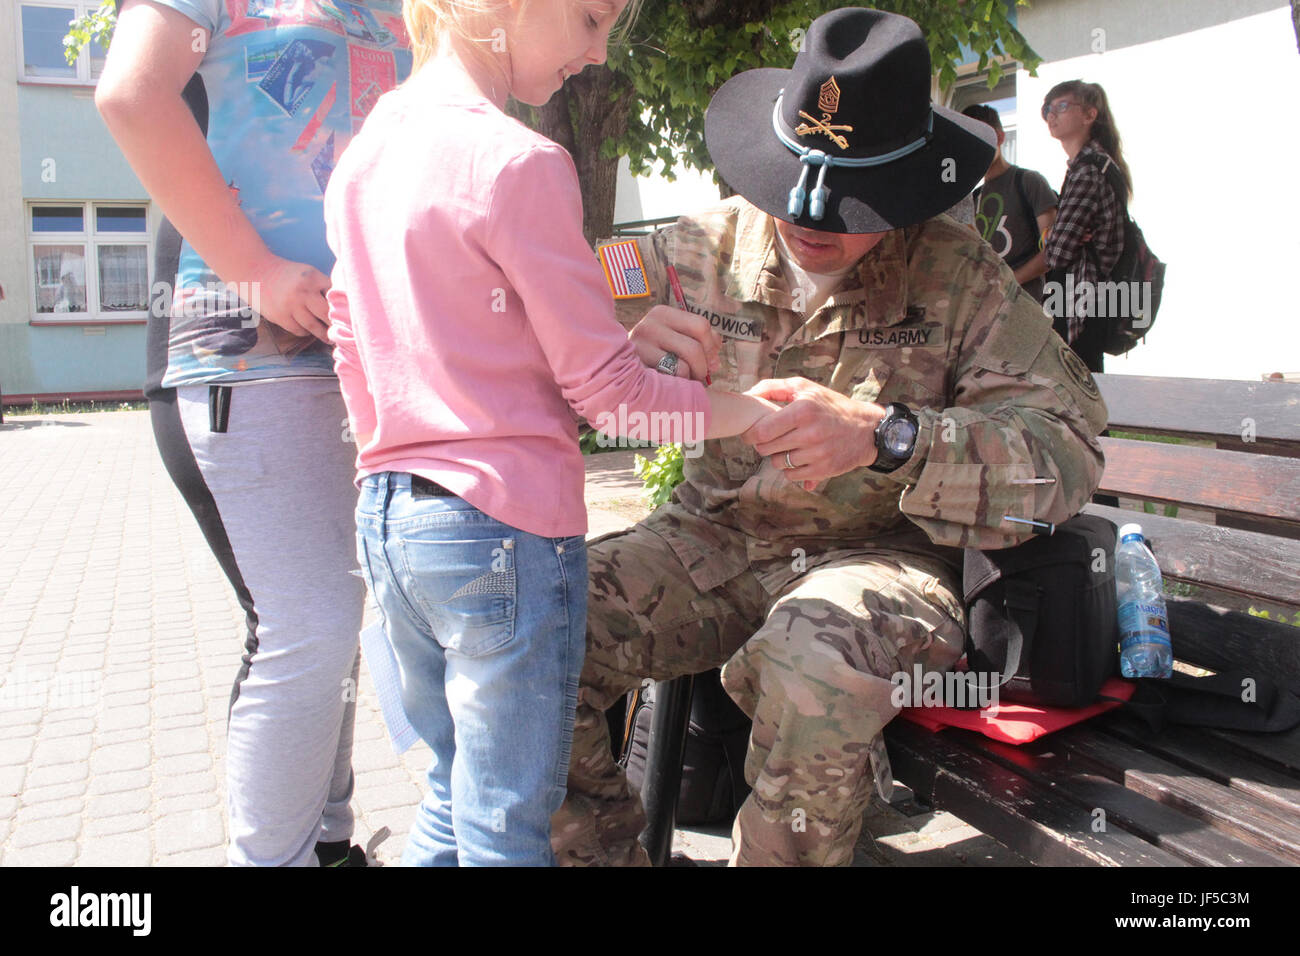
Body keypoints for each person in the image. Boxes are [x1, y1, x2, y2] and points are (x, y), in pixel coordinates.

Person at [549, 7, 1109, 867]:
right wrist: (610, 363)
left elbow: (1065, 453)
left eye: (852, 199)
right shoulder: (684, 252)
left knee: (815, 659)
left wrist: (891, 437)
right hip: (711, 540)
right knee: (539, 627)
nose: (810, 219)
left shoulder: (960, 278)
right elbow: (531, 355)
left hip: (883, 560)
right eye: (792, 182)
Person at [323, 0, 776, 866]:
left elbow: (356, 340)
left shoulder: (369, 147)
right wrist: (753, 414)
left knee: (455, 797)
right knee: (507, 829)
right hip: (501, 534)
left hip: (392, 521)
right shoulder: (520, 162)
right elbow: (614, 401)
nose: (599, 53)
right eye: (590, 18)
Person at [97, 0, 412, 865]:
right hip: (239, 352)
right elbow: (131, 93)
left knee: (334, 619)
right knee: (307, 624)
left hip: (363, 357)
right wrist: (259, 270)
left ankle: (331, 842)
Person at [1041, 80, 1131, 374]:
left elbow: (1056, 254)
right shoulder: (1094, 165)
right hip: (1091, 301)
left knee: (1077, 401)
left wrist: (1051, 235)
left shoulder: (1088, 171)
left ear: (1089, 115)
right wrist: (1056, 234)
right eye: (1047, 109)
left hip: (1080, 304)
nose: (1051, 115)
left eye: (1062, 106)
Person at [962, 104, 1059, 303]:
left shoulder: (1029, 181)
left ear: (999, 137)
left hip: (1028, 305)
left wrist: (1007, 282)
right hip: (986, 312)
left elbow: (1053, 250)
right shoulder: (971, 198)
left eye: (978, 137)